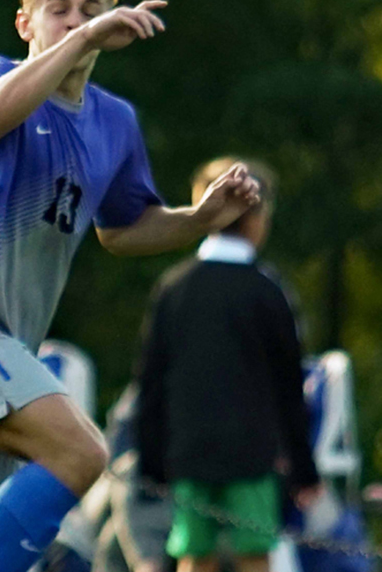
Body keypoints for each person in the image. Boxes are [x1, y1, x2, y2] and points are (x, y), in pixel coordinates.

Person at [0, 0, 263, 572]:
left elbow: (123, 230)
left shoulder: (114, 122)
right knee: (84, 454)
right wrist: (81, 43)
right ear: (25, 22)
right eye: (58, 8)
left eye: (92, 9)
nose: (77, 20)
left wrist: (199, 219)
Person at [135, 158, 321, 572]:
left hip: (189, 452)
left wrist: (150, 461)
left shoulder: (174, 289)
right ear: (257, 217)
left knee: (193, 555)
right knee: (255, 554)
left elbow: (150, 382)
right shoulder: (270, 293)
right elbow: (290, 386)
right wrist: (304, 468)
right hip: (251, 457)